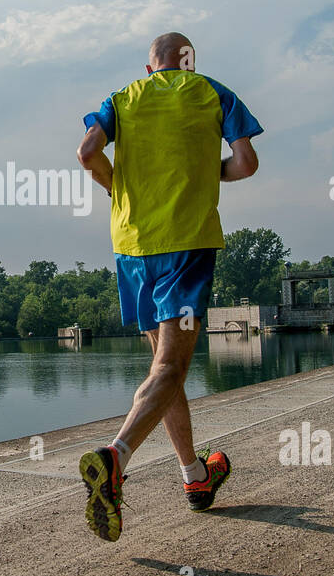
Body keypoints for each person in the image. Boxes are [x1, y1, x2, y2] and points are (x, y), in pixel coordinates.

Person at [75, 32, 263, 542]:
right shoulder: (211, 92)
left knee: (163, 368)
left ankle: (195, 478)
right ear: (189, 60)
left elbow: (87, 153)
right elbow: (246, 163)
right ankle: (115, 456)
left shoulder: (121, 98)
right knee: (171, 367)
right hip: (186, 243)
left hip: (131, 246)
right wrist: (203, 174)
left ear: (148, 66)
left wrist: (120, 186)